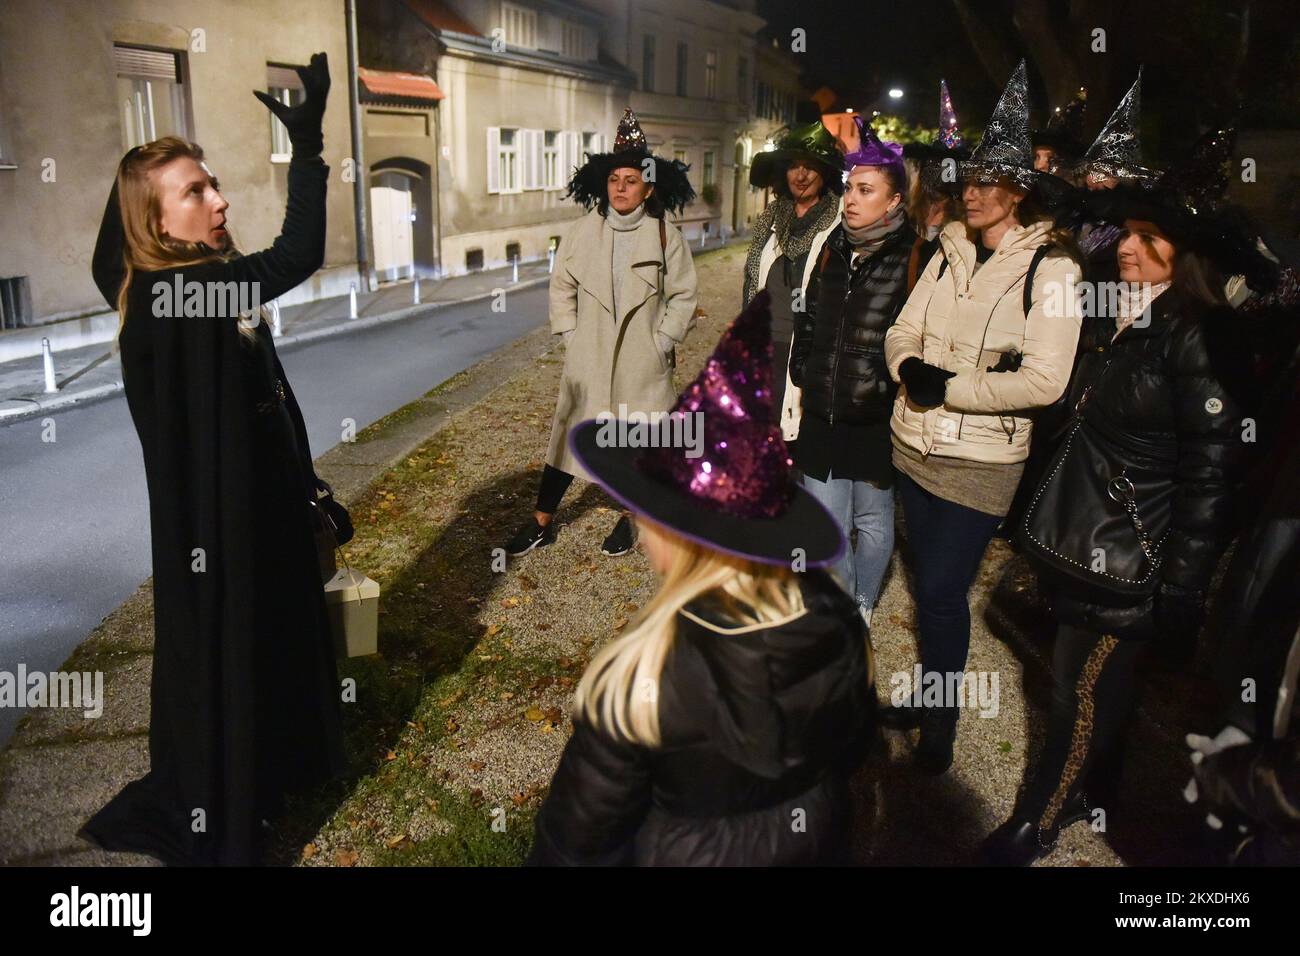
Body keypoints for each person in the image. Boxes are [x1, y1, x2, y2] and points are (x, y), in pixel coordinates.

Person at [80, 53, 346, 865]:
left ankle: (274, 770)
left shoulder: (194, 282)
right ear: (157, 222)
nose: (221, 199)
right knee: (228, 659)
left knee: (275, 642)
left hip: (257, 509)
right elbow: (296, 257)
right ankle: (226, 807)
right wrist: (306, 150)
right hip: (218, 532)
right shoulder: (176, 299)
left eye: (214, 182)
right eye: (196, 191)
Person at [983, 150, 1269, 865]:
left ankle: (1038, 821)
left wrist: (1182, 587)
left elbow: (1212, 475)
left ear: (1189, 252)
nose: (1130, 251)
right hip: (1090, 536)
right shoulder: (1126, 316)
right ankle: (1094, 787)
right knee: (1090, 686)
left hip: (1135, 557)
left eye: (1150, 237)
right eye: (1127, 235)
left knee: (1075, 692)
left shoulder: (1201, 334)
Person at [527, 292, 874, 866]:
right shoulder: (835, 617)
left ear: (682, 537)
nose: (640, 533)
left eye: (648, 514)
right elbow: (854, 746)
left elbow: (574, 846)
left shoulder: (641, 676)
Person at [881, 61, 1083, 774]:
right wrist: (906, 369)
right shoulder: (948, 249)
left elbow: (1047, 381)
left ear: (1019, 190)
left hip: (980, 461)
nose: (969, 191)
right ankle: (931, 699)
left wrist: (951, 388)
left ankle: (940, 725)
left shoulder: (1053, 271)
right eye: (965, 181)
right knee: (928, 593)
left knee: (938, 591)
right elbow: (901, 329)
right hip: (913, 446)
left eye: (984, 182)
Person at [505, 108, 698, 560]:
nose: (621, 188)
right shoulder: (579, 233)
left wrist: (662, 342)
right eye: (615, 180)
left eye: (632, 180)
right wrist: (572, 336)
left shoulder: (665, 235)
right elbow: (562, 288)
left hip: (641, 361)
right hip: (587, 358)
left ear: (648, 187)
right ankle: (541, 522)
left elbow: (684, 295)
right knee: (569, 437)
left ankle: (631, 517)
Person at [789, 117, 916, 626]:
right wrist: (803, 370)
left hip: (875, 417)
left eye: (866, 190)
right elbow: (811, 316)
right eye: (849, 188)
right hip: (822, 408)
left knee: (872, 520)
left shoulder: (914, 256)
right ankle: (842, 604)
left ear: (893, 201)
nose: (850, 199)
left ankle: (863, 601)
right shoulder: (832, 247)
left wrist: (890, 388)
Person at [742, 120, 843, 445]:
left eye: (810, 167)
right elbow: (752, 281)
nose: (801, 176)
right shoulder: (771, 219)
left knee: (800, 435)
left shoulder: (839, 224)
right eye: (794, 167)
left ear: (824, 173)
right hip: (766, 341)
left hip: (810, 349)